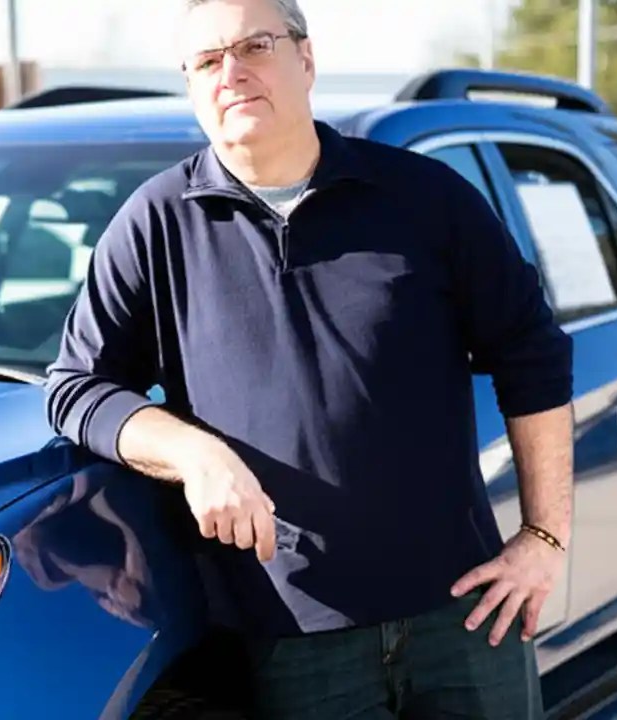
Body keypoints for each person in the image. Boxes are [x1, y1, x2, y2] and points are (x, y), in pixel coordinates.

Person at [44, 0, 574, 717]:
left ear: (307, 60)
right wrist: (194, 454)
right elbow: (78, 386)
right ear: (192, 86)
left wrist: (544, 536)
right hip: (294, 640)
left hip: (466, 618)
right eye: (207, 60)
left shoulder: (423, 198)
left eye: (254, 46)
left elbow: (532, 354)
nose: (231, 72)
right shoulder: (155, 224)